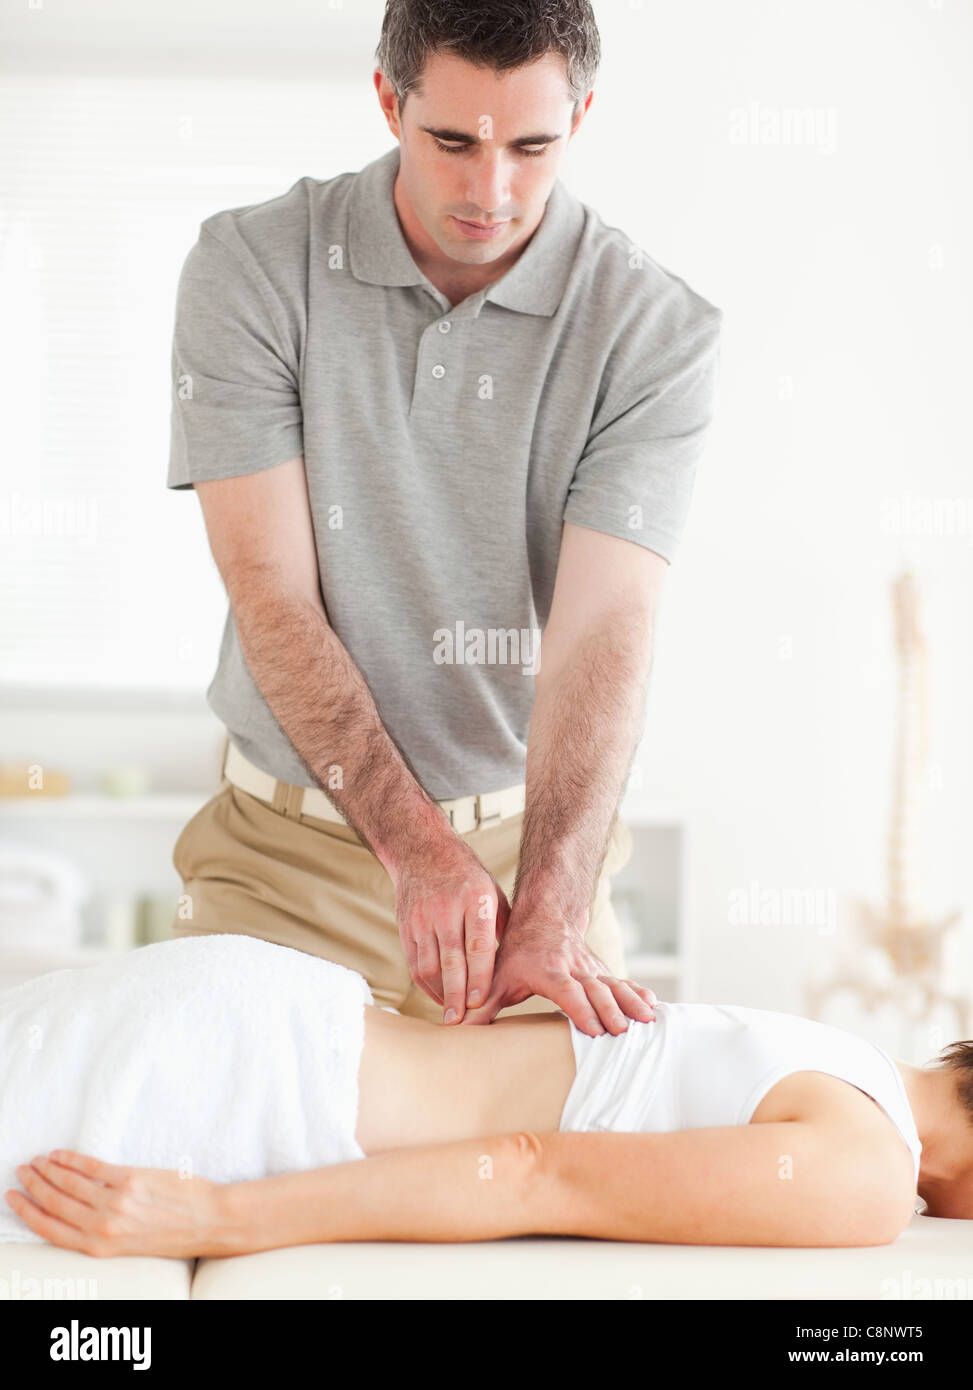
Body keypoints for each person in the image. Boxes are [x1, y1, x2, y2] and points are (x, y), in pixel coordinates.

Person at [165, 0, 723, 1032]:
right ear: (388, 98)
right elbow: (273, 596)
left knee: (554, 1177)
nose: (490, 190)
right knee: (229, 1152)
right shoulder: (251, 268)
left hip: (533, 864)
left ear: (583, 116)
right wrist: (417, 852)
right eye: (452, 140)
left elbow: (604, 629)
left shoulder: (654, 329)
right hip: (287, 855)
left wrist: (553, 905)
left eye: (532, 145)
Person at [4, 934, 967, 1258]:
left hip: (258, 1009)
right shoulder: (867, 1170)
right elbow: (533, 1172)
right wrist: (217, 1215)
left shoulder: (839, 1058)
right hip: (242, 1091)